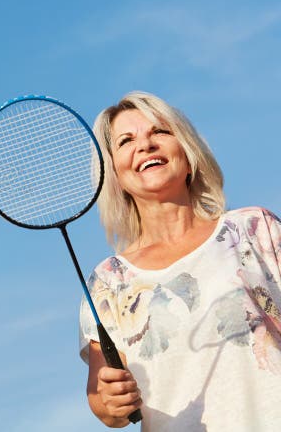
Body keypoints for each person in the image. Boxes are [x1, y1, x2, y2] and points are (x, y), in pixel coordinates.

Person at [79, 91, 281, 430]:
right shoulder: (108, 280)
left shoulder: (252, 228)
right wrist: (111, 401)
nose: (145, 145)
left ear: (188, 155)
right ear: (114, 174)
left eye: (159, 131)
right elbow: (104, 403)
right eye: (126, 141)